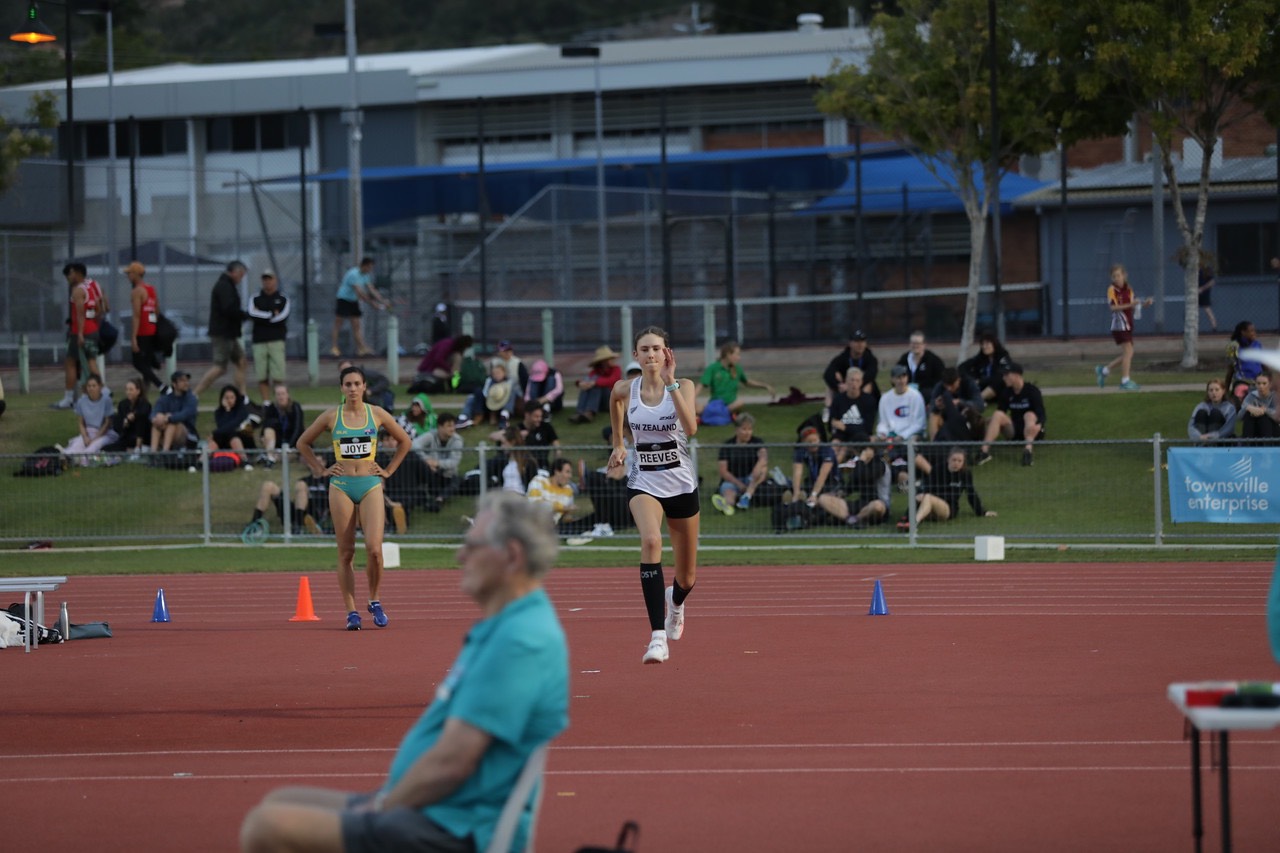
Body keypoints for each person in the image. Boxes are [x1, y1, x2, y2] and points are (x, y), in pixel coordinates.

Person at [239, 492, 569, 853]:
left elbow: (453, 762)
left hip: (458, 829)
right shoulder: (503, 625)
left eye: (473, 545)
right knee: (283, 799)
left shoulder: (521, 641)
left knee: (268, 827)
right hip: (434, 810)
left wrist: (383, 806)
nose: (461, 556)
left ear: (512, 556)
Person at [608, 326, 699, 665]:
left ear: (666, 353)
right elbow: (615, 402)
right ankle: (657, 638)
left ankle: (675, 602)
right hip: (644, 482)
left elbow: (690, 428)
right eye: (644, 349)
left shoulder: (684, 386)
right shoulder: (624, 389)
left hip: (681, 486)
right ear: (635, 355)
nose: (650, 355)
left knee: (687, 577)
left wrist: (671, 381)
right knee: (650, 542)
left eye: (656, 349)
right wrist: (619, 442)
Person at [296, 364, 411, 631]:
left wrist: (388, 471)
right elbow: (303, 442)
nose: (353, 389)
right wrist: (320, 469)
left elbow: (404, 441)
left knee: (374, 550)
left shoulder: (378, 414)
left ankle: (375, 600)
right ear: (341, 388)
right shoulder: (332, 417)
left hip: (370, 484)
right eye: (347, 384)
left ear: (364, 387)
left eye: (357, 384)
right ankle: (351, 612)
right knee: (346, 552)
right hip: (341, 485)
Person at [52, 262, 109, 409]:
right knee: (91, 362)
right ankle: (104, 392)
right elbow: (104, 306)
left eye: (69, 274)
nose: (68, 278)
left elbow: (80, 315)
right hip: (94, 330)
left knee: (72, 363)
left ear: (76, 272)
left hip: (79, 333)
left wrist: (81, 334)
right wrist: (96, 317)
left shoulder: (77, 290)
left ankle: (69, 398)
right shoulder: (94, 285)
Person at [902, 447, 997, 531]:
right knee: (921, 496)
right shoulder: (938, 469)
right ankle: (906, 519)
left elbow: (971, 493)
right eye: (954, 460)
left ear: (963, 462)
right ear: (948, 459)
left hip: (948, 508)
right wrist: (920, 494)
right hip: (930, 503)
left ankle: (913, 523)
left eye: (960, 461)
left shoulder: (965, 474)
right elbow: (926, 485)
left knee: (928, 497)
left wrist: (982, 512)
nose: (956, 463)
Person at [195, 260, 249, 398]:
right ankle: (194, 394)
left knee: (241, 361)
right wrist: (244, 315)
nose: (241, 278)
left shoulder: (228, 286)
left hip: (230, 333)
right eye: (241, 274)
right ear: (234, 272)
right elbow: (229, 309)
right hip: (223, 333)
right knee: (220, 367)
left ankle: (242, 396)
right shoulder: (224, 286)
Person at [1095, 263, 1152, 391]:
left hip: (1127, 324)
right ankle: (1125, 381)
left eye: (1119, 275)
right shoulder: (1112, 290)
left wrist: (1144, 304)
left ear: (1124, 275)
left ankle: (1104, 370)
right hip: (1119, 325)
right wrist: (1130, 304)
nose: (1117, 278)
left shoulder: (1129, 289)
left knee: (1128, 353)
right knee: (1128, 352)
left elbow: (1133, 305)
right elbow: (1113, 307)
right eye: (1114, 276)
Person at [978, 363, 1046, 466]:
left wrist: (1039, 425)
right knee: (997, 414)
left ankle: (1028, 452)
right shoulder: (1006, 392)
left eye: (1007, 375)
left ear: (1017, 375)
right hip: (1014, 431)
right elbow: (1001, 411)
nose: (1004, 378)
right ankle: (984, 451)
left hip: (1032, 430)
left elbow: (1041, 412)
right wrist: (992, 420)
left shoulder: (1032, 390)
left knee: (1029, 415)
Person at [875, 364, 927, 490]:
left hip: (912, 436)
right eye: (898, 377)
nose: (901, 380)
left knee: (910, 450)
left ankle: (922, 475)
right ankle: (900, 478)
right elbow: (883, 422)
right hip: (892, 438)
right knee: (883, 455)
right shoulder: (885, 398)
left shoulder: (915, 396)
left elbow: (919, 423)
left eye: (903, 377)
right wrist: (883, 433)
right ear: (892, 380)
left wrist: (903, 436)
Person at [695, 340, 774, 421]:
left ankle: (710, 416)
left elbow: (747, 382)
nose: (739, 358)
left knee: (740, 403)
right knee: (696, 407)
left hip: (730, 405)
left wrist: (765, 386)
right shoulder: (713, 368)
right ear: (728, 354)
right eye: (737, 354)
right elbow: (701, 385)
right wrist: (691, 399)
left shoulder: (737, 369)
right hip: (715, 404)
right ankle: (723, 415)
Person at [818, 443, 888, 529]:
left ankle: (856, 519)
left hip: (875, 503)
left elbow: (865, 476)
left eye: (866, 450)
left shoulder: (880, 464)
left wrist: (861, 461)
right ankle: (849, 519)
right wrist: (837, 494)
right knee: (823, 498)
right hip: (859, 504)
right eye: (862, 450)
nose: (863, 452)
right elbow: (850, 487)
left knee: (878, 506)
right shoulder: (859, 466)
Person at [331, 257, 389, 358]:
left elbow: (371, 289)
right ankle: (334, 348)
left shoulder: (366, 275)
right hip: (343, 299)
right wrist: (372, 304)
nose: (370, 269)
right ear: (364, 265)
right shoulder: (353, 274)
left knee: (356, 326)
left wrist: (383, 301)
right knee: (338, 324)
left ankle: (361, 348)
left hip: (353, 301)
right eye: (369, 267)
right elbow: (360, 292)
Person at [712, 412, 769, 515]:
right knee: (729, 494)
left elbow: (763, 458)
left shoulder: (757, 442)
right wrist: (740, 485)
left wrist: (757, 468)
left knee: (762, 469)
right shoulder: (727, 446)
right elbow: (723, 471)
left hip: (753, 479)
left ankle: (747, 496)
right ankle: (728, 505)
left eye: (750, 429)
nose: (747, 433)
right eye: (744, 429)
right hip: (733, 481)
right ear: (737, 430)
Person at [248, 270, 291, 403]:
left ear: (275, 280)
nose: (267, 281)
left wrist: (262, 315)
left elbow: (282, 317)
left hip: (276, 341)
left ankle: (281, 400)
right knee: (262, 375)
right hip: (259, 341)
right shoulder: (255, 298)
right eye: (265, 279)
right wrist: (271, 314)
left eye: (270, 279)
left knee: (278, 374)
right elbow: (251, 314)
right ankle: (266, 403)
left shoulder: (283, 299)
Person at [125, 261, 168, 395]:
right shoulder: (151, 289)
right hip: (151, 330)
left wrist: (133, 338)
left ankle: (162, 386)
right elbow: (156, 310)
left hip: (142, 332)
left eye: (129, 273)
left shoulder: (136, 291)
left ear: (136, 275)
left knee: (138, 363)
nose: (128, 276)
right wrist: (154, 327)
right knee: (146, 365)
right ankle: (143, 396)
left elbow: (136, 315)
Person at [411, 412, 465, 512]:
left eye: (453, 426)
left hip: (448, 475)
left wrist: (437, 463)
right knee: (413, 458)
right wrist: (426, 460)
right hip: (431, 473)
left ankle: (439, 499)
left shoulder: (457, 440)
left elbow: (454, 462)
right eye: (448, 426)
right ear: (440, 427)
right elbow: (414, 445)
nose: (452, 429)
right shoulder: (431, 435)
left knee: (457, 480)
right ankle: (427, 498)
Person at [59, 373, 116, 465]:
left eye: (94, 386)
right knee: (75, 447)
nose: (91, 388)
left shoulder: (106, 400)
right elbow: (81, 422)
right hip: (88, 432)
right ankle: (67, 459)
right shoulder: (81, 401)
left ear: (100, 386)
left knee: (91, 449)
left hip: (103, 433)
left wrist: (95, 438)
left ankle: (80, 460)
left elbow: (107, 423)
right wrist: (85, 436)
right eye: (89, 386)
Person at [821, 328, 879, 419]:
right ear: (850, 343)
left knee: (869, 384)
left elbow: (872, 374)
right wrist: (838, 385)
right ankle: (829, 409)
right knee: (830, 385)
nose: (860, 345)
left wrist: (857, 384)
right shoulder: (843, 358)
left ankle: (862, 409)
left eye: (862, 342)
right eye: (856, 341)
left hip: (861, 388)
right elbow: (828, 373)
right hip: (845, 388)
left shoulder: (870, 358)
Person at [150, 370, 200, 458]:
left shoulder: (191, 398)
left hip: (188, 435)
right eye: (182, 381)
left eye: (187, 380)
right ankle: (153, 454)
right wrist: (156, 418)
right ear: (174, 384)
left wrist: (168, 418)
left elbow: (184, 414)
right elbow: (154, 412)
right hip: (167, 432)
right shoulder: (165, 398)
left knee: (172, 423)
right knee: (156, 424)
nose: (186, 383)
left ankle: (165, 453)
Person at [569, 345, 622, 424]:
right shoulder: (596, 372)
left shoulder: (616, 369)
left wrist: (595, 383)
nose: (612, 360)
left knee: (596, 386)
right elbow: (587, 379)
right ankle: (580, 412)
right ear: (604, 361)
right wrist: (581, 383)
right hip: (599, 403)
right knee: (587, 387)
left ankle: (589, 412)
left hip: (611, 401)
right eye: (610, 358)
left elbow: (613, 380)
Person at [210, 384, 259, 465]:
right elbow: (221, 426)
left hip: (244, 438)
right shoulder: (219, 412)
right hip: (226, 439)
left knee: (232, 435)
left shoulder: (242, 410)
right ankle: (201, 461)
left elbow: (234, 425)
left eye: (232, 397)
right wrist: (227, 410)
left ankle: (245, 460)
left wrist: (215, 432)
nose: (229, 400)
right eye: (227, 398)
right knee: (217, 439)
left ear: (236, 398)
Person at [103, 378, 153, 458]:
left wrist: (134, 415)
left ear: (138, 391)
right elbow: (119, 423)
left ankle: (138, 448)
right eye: (127, 389)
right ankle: (130, 451)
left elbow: (144, 414)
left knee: (141, 419)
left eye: (131, 390)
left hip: (142, 437)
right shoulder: (123, 404)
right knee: (105, 449)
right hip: (127, 436)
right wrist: (125, 421)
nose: (128, 392)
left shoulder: (145, 404)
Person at [958, 332, 1012, 403]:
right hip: (982, 386)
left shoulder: (1003, 356)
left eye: (987, 344)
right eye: (982, 344)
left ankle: (978, 400)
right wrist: (971, 379)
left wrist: (980, 381)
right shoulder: (980, 357)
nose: (984, 347)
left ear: (994, 344)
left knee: (999, 381)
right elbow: (962, 367)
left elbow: (1001, 375)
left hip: (998, 388)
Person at [829, 367, 877, 444]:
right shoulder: (838, 399)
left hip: (861, 436)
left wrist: (845, 427)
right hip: (841, 436)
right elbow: (833, 423)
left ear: (861, 382)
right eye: (852, 380)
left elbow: (867, 428)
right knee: (835, 443)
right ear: (846, 381)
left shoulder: (869, 400)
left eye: (857, 380)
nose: (854, 383)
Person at [260, 383, 306, 465]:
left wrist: (290, 445)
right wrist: (263, 438)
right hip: (277, 442)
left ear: (287, 395)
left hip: (293, 443)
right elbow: (265, 426)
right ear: (275, 396)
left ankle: (271, 458)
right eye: (278, 394)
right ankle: (270, 457)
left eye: (283, 394)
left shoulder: (295, 407)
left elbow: (298, 428)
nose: (281, 397)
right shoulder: (271, 408)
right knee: (268, 430)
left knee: (288, 455)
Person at [526, 457, 578, 524]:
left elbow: (560, 516)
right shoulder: (538, 481)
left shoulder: (568, 490)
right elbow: (536, 505)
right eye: (567, 472)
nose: (570, 476)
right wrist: (563, 508)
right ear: (557, 472)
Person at [1187, 378, 1237, 443]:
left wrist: (1212, 436)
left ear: (1223, 391)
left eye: (1217, 390)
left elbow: (1229, 428)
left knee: (1215, 413)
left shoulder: (1229, 408)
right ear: (1208, 392)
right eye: (1211, 390)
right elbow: (1191, 425)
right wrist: (1198, 437)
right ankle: (1202, 446)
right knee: (1201, 413)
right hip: (1201, 438)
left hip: (1220, 440)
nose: (1214, 393)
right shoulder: (1201, 406)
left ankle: (1212, 445)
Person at [1226, 320, 1263, 401]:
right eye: (1251, 331)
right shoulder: (1233, 347)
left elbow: (1262, 363)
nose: (1254, 333)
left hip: (1258, 380)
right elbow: (1230, 370)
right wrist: (1225, 391)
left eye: (1254, 330)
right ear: (1243, 332)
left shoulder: (1257, 344)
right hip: (1242, 380)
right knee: (1241, 395)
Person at [1239, 372, 1278, 441]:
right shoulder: (1251, 396)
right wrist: (1249, 408)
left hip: (1272, 430)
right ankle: (1246, 447)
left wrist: (1265, 410)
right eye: (1258, 383)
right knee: (1248, 414)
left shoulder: (1276, 397)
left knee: (1264, 418)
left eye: (1264, 383)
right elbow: (1239, 416)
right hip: (1255, 429)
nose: (1261, 386)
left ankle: (1267, 447)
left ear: (1270, 384)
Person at [1197, 262, 1218, 332]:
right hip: (1196, 293)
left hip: (1204, 293)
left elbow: (1212, 282)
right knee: (1195, 311)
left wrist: (1202, 289)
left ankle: (1214, 327)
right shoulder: (1194, 270)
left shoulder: (1206, 270)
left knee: (1207, 309)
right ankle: (1195, 328)